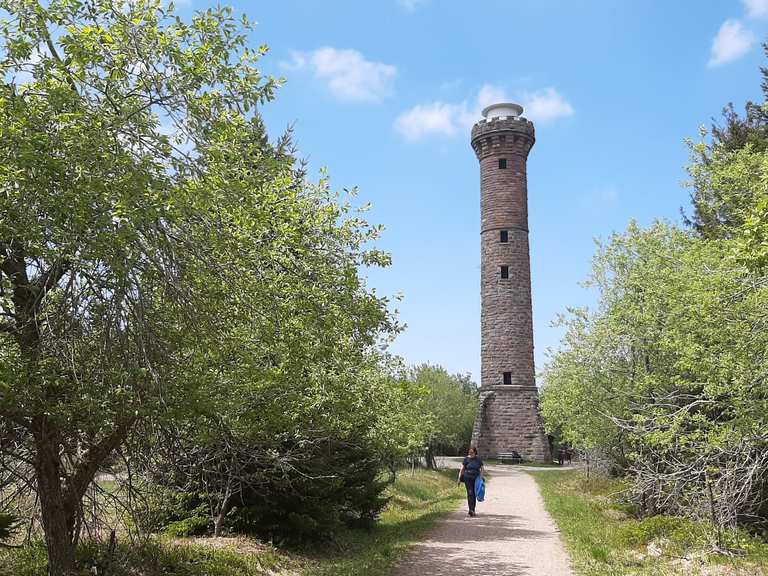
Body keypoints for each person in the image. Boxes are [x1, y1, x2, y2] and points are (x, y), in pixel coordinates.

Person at [457, 446, 484, 517]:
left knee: (474, 494)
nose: (470, 453)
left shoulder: (478, 459)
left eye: (472, 452)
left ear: (475, 452)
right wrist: (459, 478)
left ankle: (473, 509)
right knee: (470, 493)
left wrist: (481, 478)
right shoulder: (466, 459)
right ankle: (471, 510)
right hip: (467, 478)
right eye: (469, 452)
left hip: (476, 479)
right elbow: (462, 469)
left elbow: (482, 469)